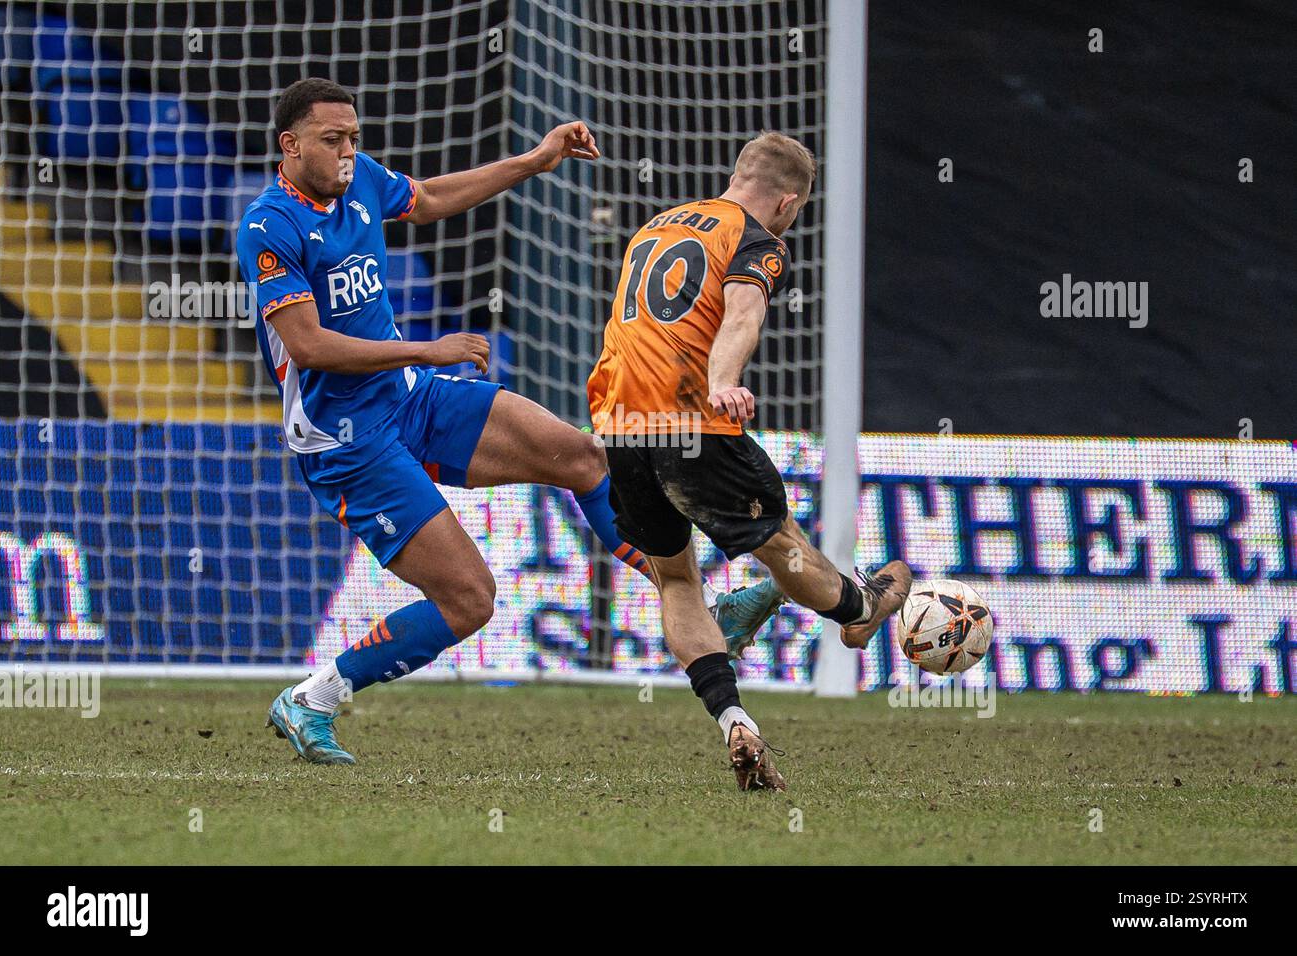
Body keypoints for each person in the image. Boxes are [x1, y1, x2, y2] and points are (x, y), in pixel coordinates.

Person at [235, 79, 782, 764]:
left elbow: (429, 200)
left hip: (409, 398)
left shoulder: (361, 182)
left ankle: (699, 603)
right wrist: (426, 348)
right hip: (347, 440)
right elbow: (310, 345)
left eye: (353, 138)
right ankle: (313, 698)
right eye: (332, 140)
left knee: (583, 456)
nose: (349, 152)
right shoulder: (268, 225)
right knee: (469, 599)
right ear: (289, 146)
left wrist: (533, 160)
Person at [587, 132, 913, 790]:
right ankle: (858, 612)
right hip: (689, 422)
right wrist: (721, 381)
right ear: (788, 201)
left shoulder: (659, 224)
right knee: (781, 544)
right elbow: (741, 314)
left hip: (619, 424)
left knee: (676, 581)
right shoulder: (755, 239)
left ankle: (733, 718)